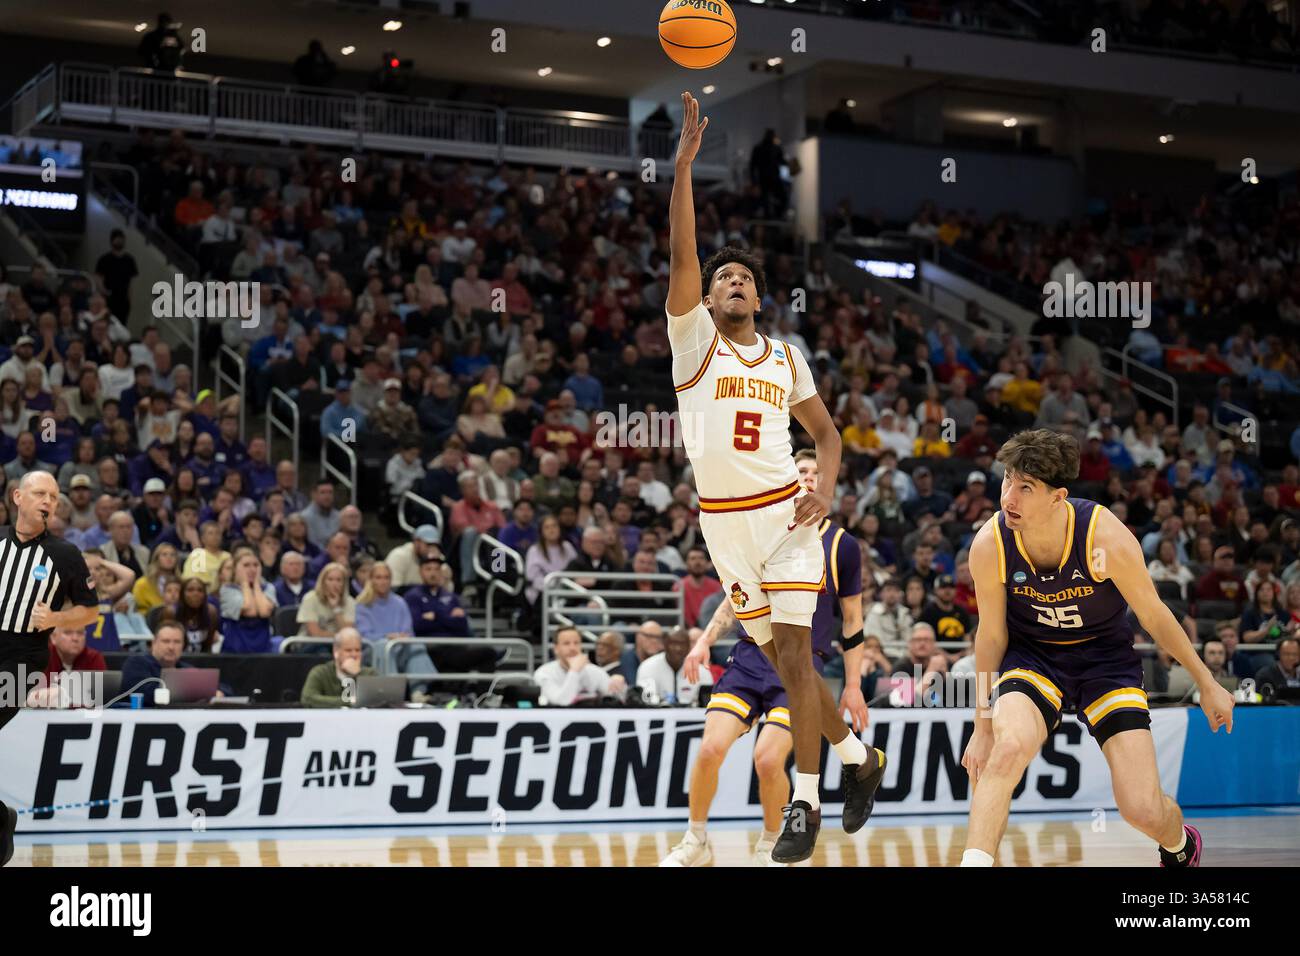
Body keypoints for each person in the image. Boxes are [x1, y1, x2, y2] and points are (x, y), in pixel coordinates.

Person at [667, 91, 879, 863]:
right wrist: (684, 171)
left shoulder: (787, 356)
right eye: (722, 277)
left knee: (794, 654)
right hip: (724, 529)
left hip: (787, 519)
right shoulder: (692, 344)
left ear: (758, 297)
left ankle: (807, 805)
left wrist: (825, 486)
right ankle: (859, 759)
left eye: (743, 279)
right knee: (787, 660)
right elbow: (683, 255)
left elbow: (827, 434)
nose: (730, 282)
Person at [960, 429, 1234, 868]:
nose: (1008, 495)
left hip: (1105, 661)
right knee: (1006, 750)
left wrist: (1207, 681)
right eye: (1007, 479)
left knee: (1141, 809)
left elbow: (1154, 614)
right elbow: (991, 636)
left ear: (1058, 496)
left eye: (1025, 487)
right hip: (1035, 658)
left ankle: (1180, 843)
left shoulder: (1104, 537)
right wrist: (982, 723)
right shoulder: (991, 544)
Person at [662, 447, 872, 866]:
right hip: (751, 656)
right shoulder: (761, 528)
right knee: (708, 750)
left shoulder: (842, 546)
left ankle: (771, 841)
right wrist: (704, 641)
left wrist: (852, 685)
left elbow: (853, 621)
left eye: (815, 471)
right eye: (801, 471)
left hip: (802, 664)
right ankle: (695, 840)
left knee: (768, 759)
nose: (809, 477)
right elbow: (734, 597)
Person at [0, 470, 101, 860]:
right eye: (39, 493)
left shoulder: (64, 554)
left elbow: (90, 611)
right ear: (17, 497)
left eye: (54, 497)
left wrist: (57, 620)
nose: (48, 501)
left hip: (23, 657)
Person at [356, 561, 436, 702]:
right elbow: (364, 636)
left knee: (415, 644)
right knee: (384, 646)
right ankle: (390, 694)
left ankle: (418, 692)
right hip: (371, 650)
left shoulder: (400, 602)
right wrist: (387, 636)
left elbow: (408, 631)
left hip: (398, 647)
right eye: (378, 577)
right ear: (371, 580)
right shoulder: (362, 604)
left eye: (386, 577)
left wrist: (402, 637)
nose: (383, 581)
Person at [120, 623, 216, 707]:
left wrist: (217, 693)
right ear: (153, 643)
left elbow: (222, 688)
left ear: (183, 645)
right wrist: (199, 692)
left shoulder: (185, 667)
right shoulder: (136, 663)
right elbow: (147, 693)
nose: (171, 647)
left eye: (177, 642)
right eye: (166, 641)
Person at [532, 626, 625, 705]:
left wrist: (619, 684)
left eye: (576, 643)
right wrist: (574, 671)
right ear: (556, 649)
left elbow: (619, 700)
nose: (572, 648)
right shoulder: (544, 673)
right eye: (566, 643)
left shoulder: (594, 671)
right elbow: (562, 702)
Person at [300, 628, 376, 708]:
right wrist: (350, 703)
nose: (354, 655)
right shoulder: (320, 672)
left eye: (357, 650)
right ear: (336, 652)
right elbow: (308, 699)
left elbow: (377, 701)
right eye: (348, 650)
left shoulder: (370, 674)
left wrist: (355, 676)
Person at [219, 551, 277, 653]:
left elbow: (264, 612)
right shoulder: (227, 589)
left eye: (256, 565)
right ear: (235, 569)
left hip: (263, 648)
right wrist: (245, 583)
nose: (252, 569)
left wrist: (256, 585)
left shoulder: (268, 587)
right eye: (246, 565)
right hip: (235, 650)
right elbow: (249, 610)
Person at [82, 550, 137, 654]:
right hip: (83, 653)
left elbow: (129, 575)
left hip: (108, 651)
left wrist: (100, 561)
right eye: (88, 568)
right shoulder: (70, 597)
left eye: (97, 569)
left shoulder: (108, 594)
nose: (93, 572)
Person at [297, 562, 356, 638]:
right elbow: (315, 633)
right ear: (323, 581)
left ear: (344, 583)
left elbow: (348, 632)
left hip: (339, 644)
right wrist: (339, 638)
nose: (334, 584)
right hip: (310, 643)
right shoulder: (310, 598)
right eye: (330, 579)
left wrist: (336, 609)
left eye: (339, 580)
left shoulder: (349, 601)